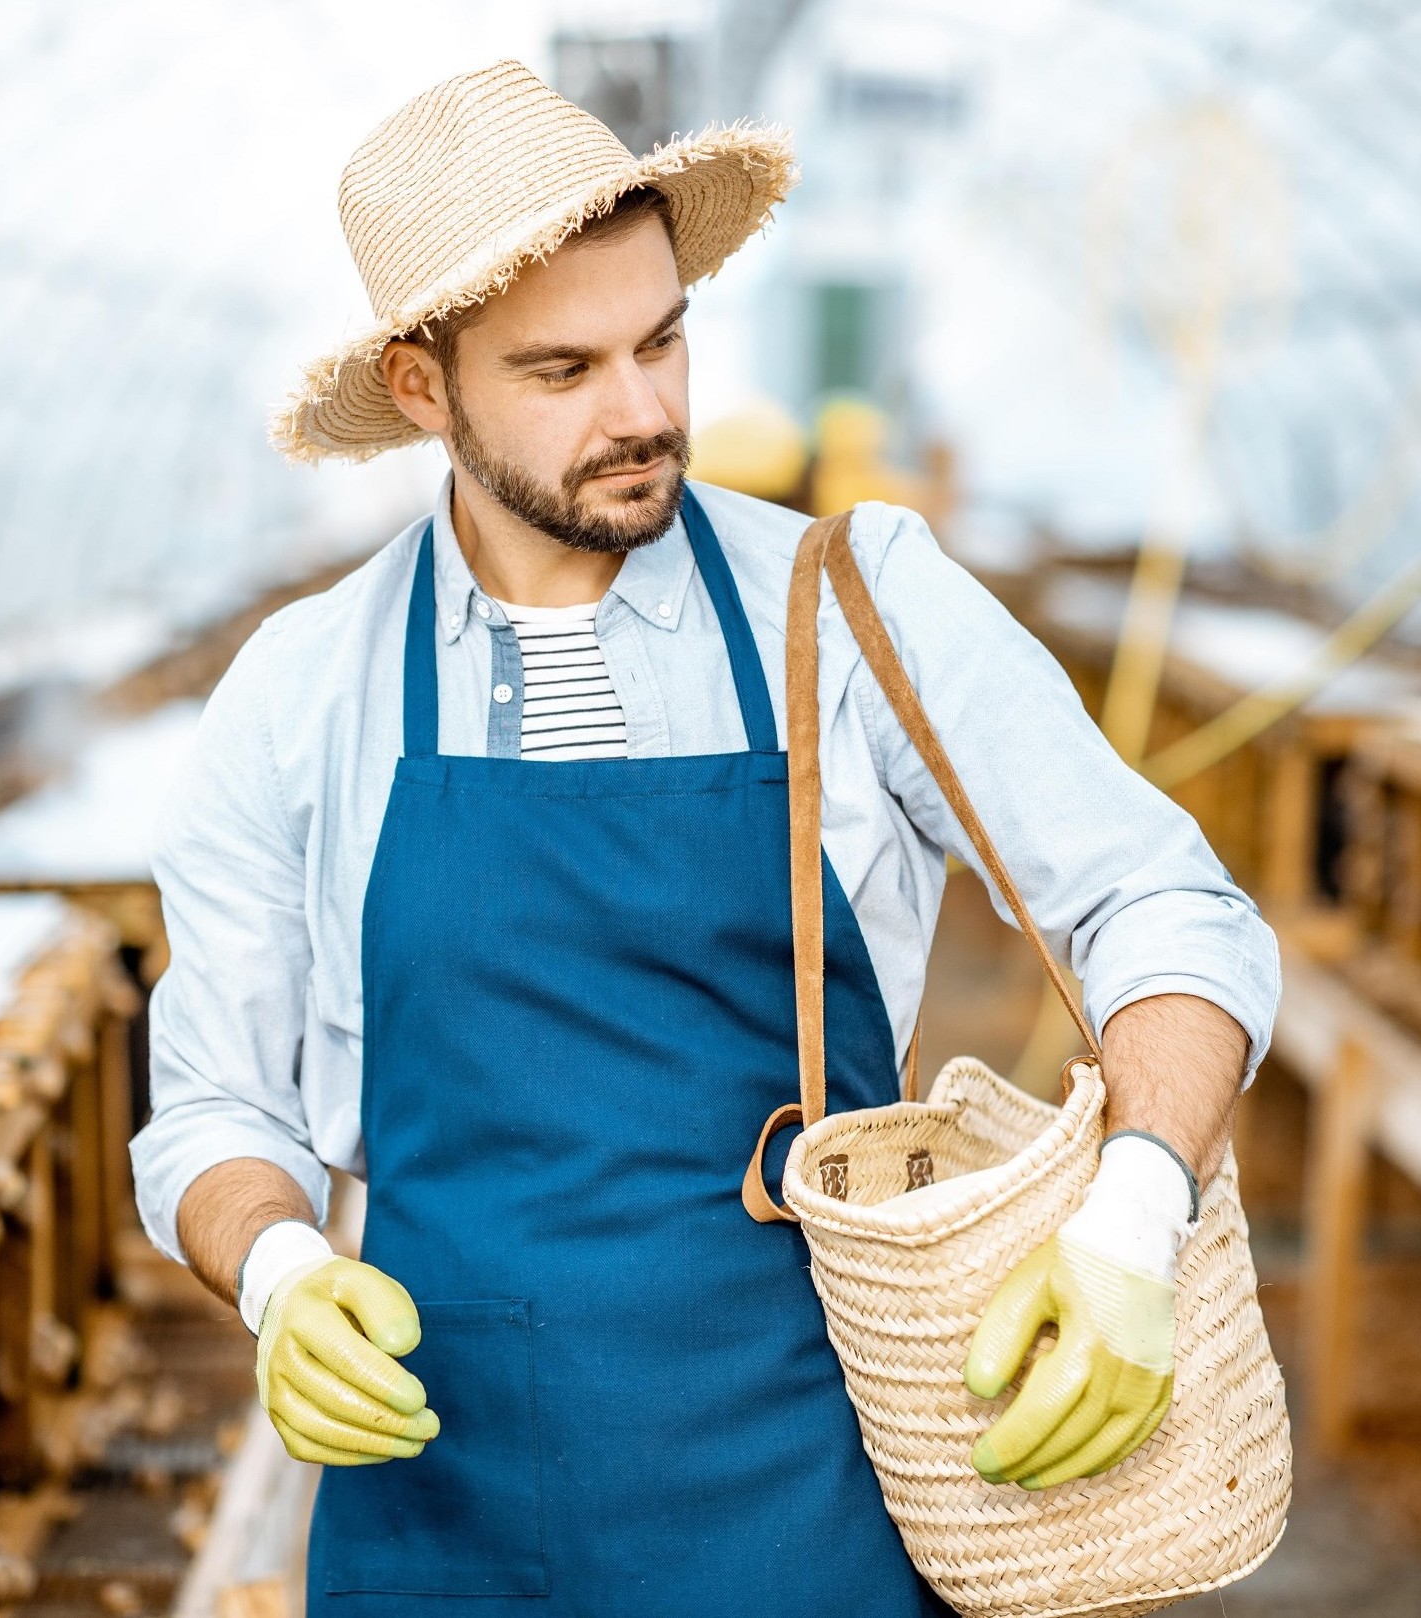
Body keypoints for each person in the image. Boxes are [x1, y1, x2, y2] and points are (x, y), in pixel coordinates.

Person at [132, 60, 1279, 1616]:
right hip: (440, 1515)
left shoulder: (850, 605)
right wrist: (278, 1276)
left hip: (802, 1492)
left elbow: (1168, 909)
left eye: (663, 340)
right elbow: (210, 1105)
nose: (647, 411)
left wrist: (1138, 1221)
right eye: (563, 370)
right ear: (421, 386)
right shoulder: (303, 694)